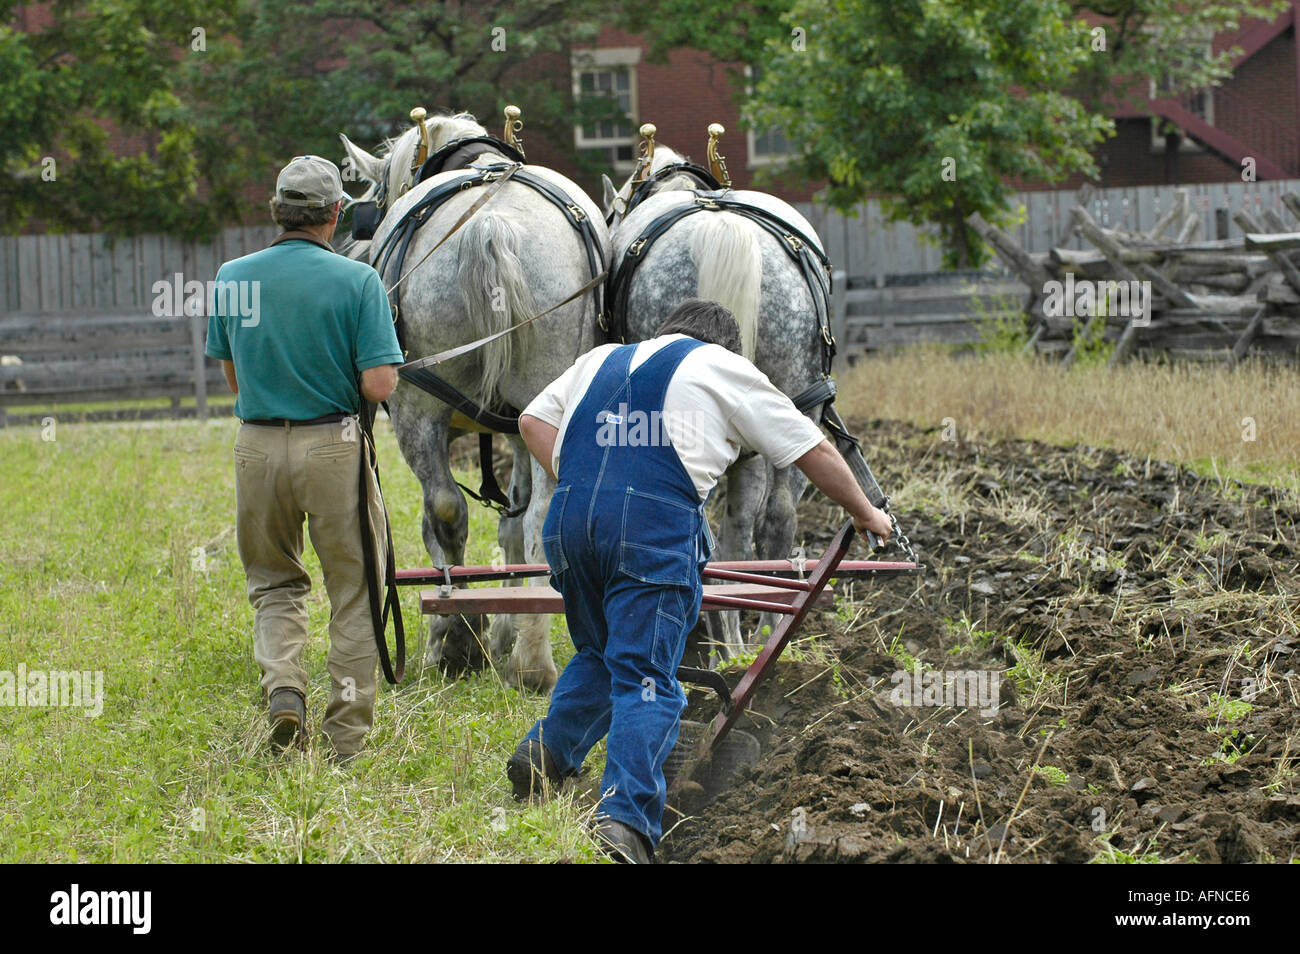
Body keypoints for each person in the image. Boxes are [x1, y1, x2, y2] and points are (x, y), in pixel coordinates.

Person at [506, 298, 891, 862]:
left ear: (664, 333)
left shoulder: (604, 357)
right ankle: (625, 820)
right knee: (647, 673)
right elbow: (813, 447)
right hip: (650, 529)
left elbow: (530, 421)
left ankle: (543, 756)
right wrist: (865, 510)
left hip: (568, 524)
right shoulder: (721, 365)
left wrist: (583, 484)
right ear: (723, 345)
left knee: (600, 650)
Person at [205, 155, 404, 763]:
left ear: (276, 211)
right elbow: (379, 386)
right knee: (354, 591)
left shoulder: (232, 276)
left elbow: (233, 378)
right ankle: (344, 739)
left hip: (256, 447)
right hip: (332, 449)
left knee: (273, 584)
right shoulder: (357, 281)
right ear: (336, 213)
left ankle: (286, 691)